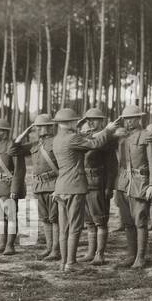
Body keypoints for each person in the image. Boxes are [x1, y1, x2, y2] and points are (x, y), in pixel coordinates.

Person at [50, 107, 116, 271]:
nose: (78, 123)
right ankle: (71, 263)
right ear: (70, 122)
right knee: (75, 227)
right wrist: (107, 130)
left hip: (61, 187)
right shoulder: (72, 138)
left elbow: (84, 138)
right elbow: (94, 144)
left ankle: (64, 262)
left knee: (63, 228)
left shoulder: (57, 139)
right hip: (75, 187)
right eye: (75, 121)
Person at [110, 103, 152, 269]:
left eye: (132, 118)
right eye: (126, 119)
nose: (128, 122)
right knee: (127, 221)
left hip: (140, 184)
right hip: (123, 183)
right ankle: (131, 255)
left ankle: (141, 257)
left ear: (139, 118)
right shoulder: (121, 138)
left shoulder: (146, 136)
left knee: (140, 220)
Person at [9, 114, 59, 260]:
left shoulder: (56, 142)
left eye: (42, 126)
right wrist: (25, 132)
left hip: (53, 184)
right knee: (45, 219)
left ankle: (56, 250)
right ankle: (49, 248)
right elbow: (12, 150)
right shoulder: (34, 145)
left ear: (50, 127)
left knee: (55, 219)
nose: (39, 129)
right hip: (38, 186)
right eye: (37, 127)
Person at [77, 107, 117, 265]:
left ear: (102, 121)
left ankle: (100, 254)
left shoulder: (108, 139)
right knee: (89, 222)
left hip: (98, 183)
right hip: (83, 183)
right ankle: (90, 252)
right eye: (88, 120)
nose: (91, 122)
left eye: (94, 119)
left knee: (100, 220)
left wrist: (109, 186)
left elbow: (112, 165)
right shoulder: (84, 136)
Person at [0, 117, 24, 255]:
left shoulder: (12, 146)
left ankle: (10, 245)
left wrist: (14, 190)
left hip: (8, 186)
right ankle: (2, 244)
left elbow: (19, 170)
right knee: (0, 217)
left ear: (5, 132)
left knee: (10, 216)